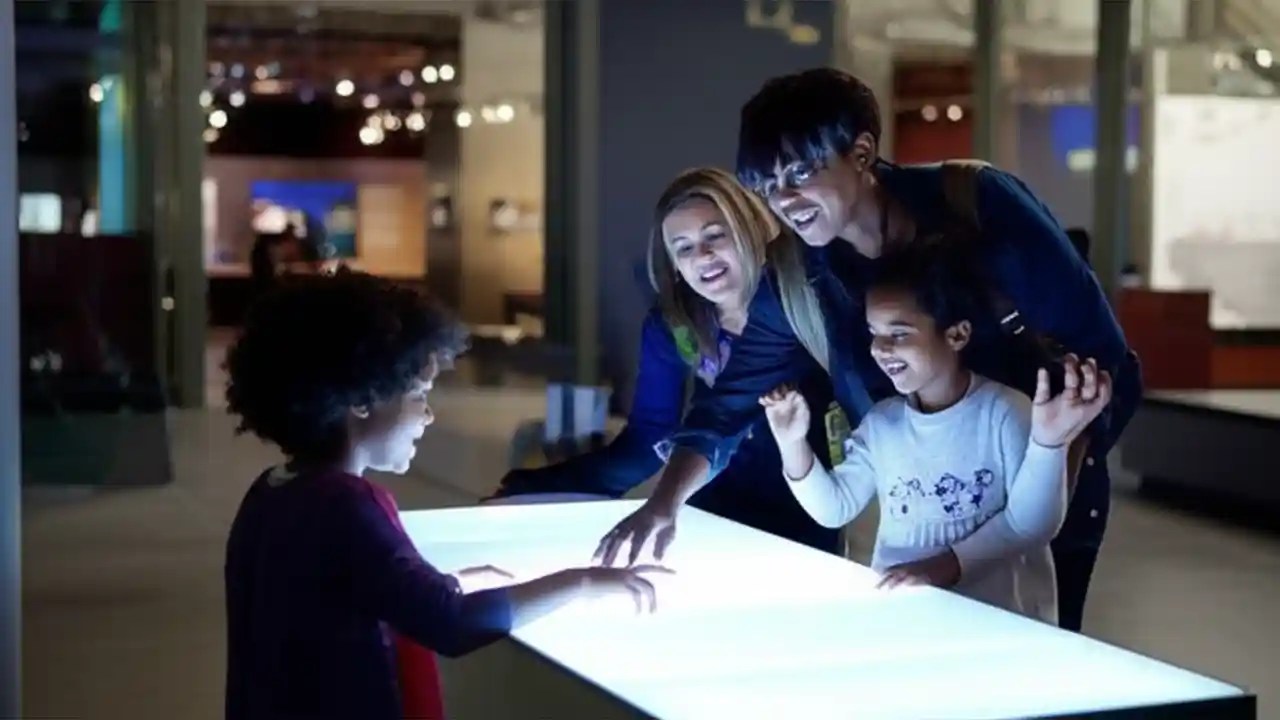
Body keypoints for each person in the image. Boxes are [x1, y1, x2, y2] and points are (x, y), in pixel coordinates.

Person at [595, 68, 1141, 633]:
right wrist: (664, 503)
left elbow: (1095, 352)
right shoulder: (797, 273)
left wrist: (1044, 479)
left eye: (801, 173)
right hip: (920, 501)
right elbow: (726, 404)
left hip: (1044, 465)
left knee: (1035, 648)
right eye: (767, 184)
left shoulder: (977, 205)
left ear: (861, 153)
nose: (785, 199)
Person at [223, 270, 668, 720]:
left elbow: (340, 590)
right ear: (361, 398)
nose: (429, 414)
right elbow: (451, 623)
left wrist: (433, 579)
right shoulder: (347, 503)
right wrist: (582, 581)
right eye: (418, 394)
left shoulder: (269, 490)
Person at [493, 167, 841, 553]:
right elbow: (648, 439)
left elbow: (725, 415)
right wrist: (536, 488)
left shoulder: (799, 304)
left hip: (807, 511)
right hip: (708, 513)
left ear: (751, 229)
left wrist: (663, 501)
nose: (703, 256)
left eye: (715, 236)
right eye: (684, 247)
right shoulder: (673, 324)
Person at [760, 244, 1111, 623]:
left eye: (900, 333)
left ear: (957, 335)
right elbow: (834, 508)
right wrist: (791, 442)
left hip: (997, 624)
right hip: (908, 618)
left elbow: (1031, 525)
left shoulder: (1004, 411)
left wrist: (1049, 443)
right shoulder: (883, 424)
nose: (880, 348)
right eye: (874, 332)